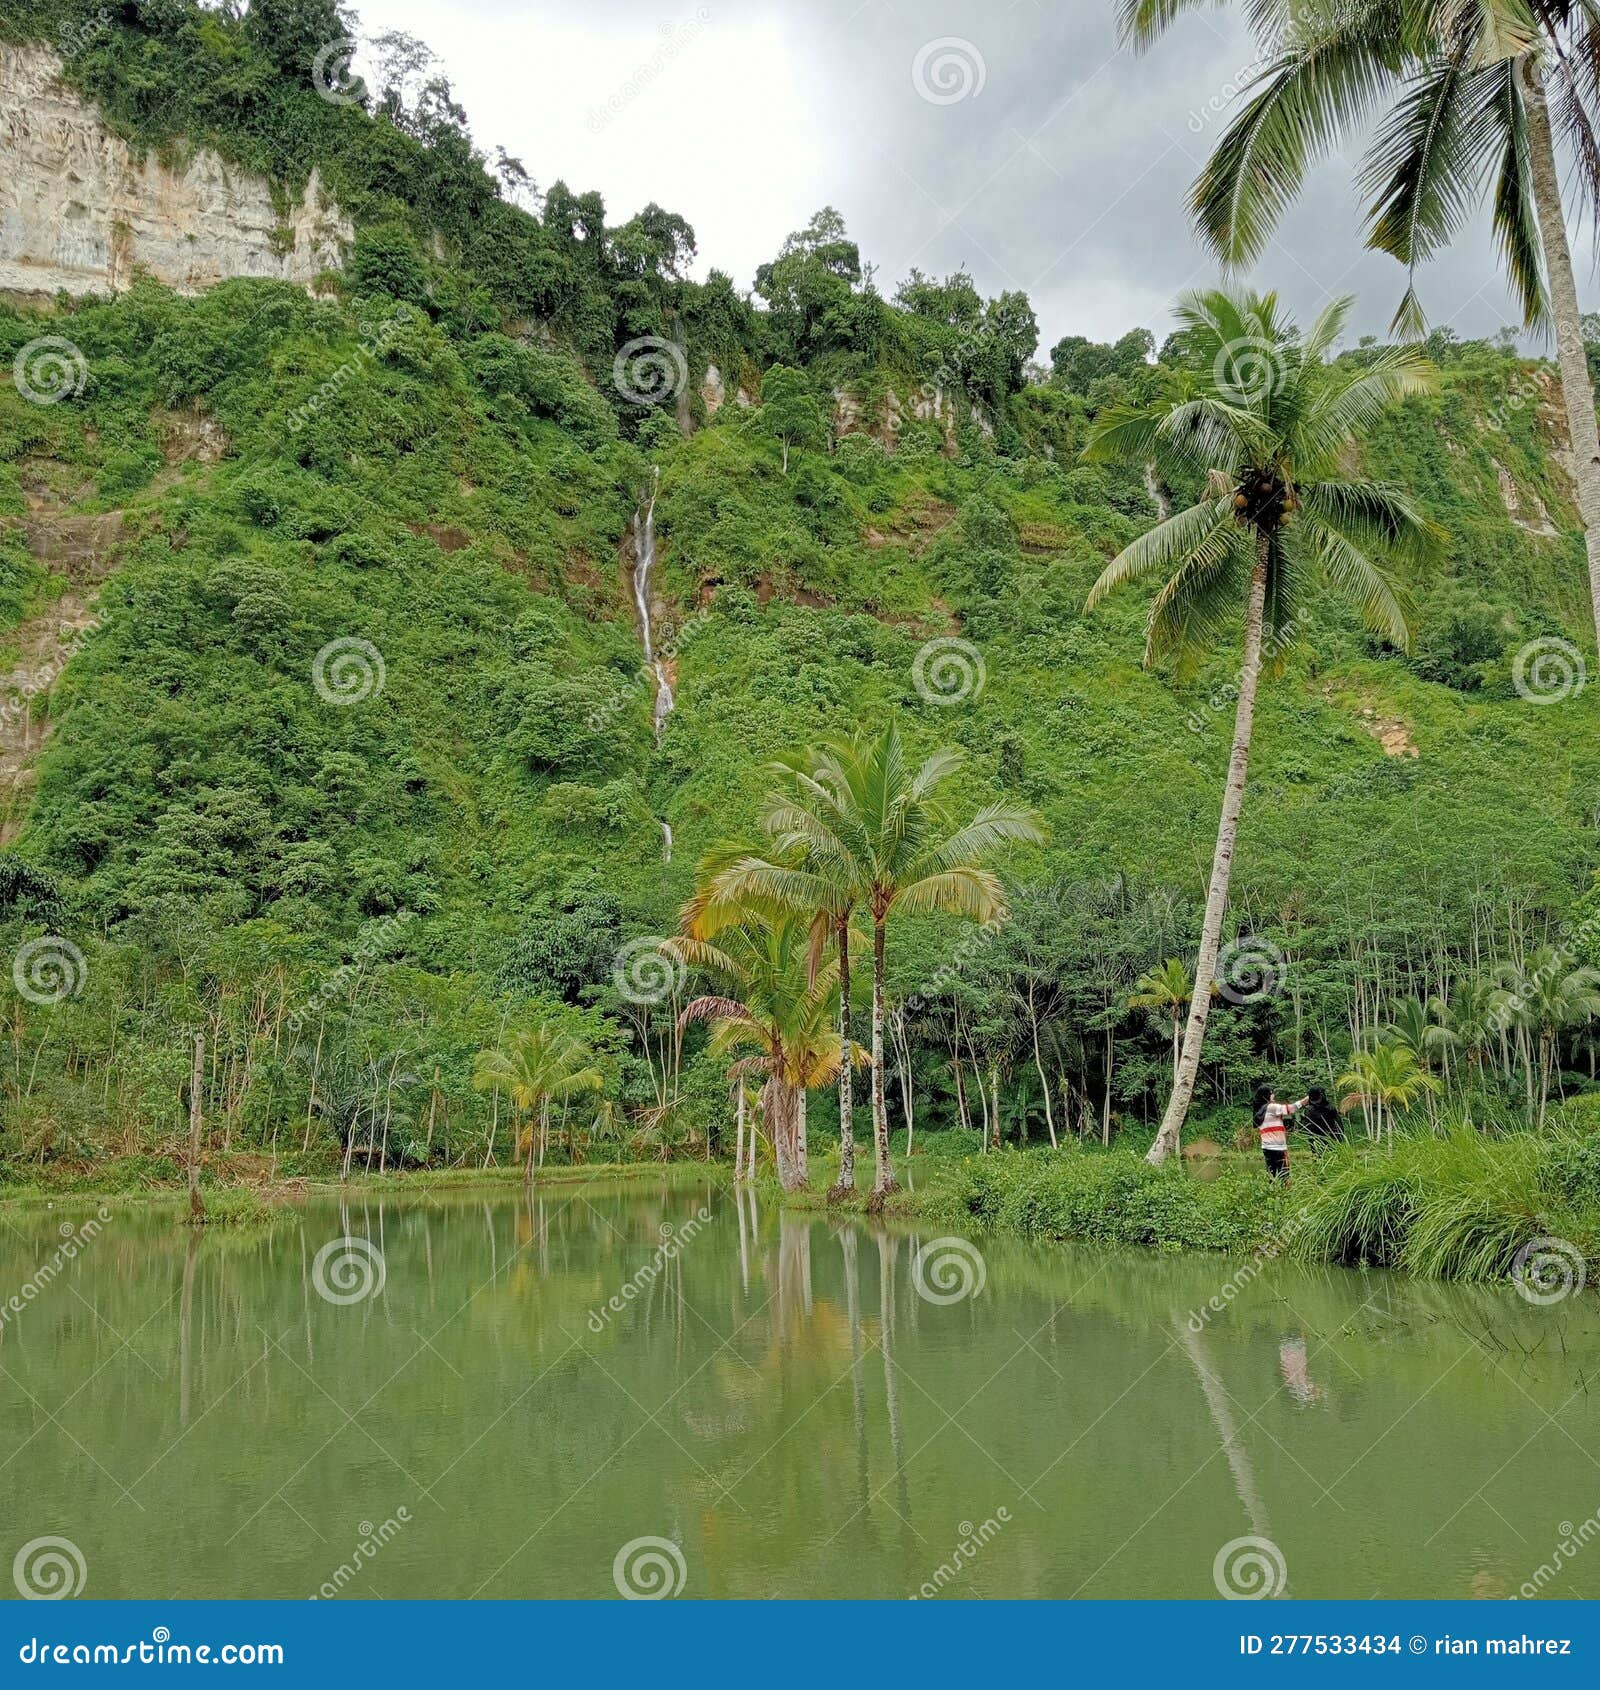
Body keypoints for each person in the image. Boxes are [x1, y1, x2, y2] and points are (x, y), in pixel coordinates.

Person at [1253, 1085, 1305, 1181]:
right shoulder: (1271, 1107)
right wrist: (1306, 1099)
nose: (1273, 1095)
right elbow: (1291, 1108)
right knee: (1285, 1176)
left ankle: (1272, 1193)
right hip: (1279, 1148)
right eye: (1271, 1093)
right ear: (1266, 1095)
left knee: (1271, 1176)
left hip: (1266, 1148)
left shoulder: (1259, 1110)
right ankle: (1285, 1195)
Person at [1299, 1085, 1344, 1153]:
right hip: (1317, 1142)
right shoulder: (1309, 1110)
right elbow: (1307, 1129)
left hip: (1332, 1140)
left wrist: (1339, 1139)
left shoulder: (1330, 1109)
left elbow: (1338, 1125)